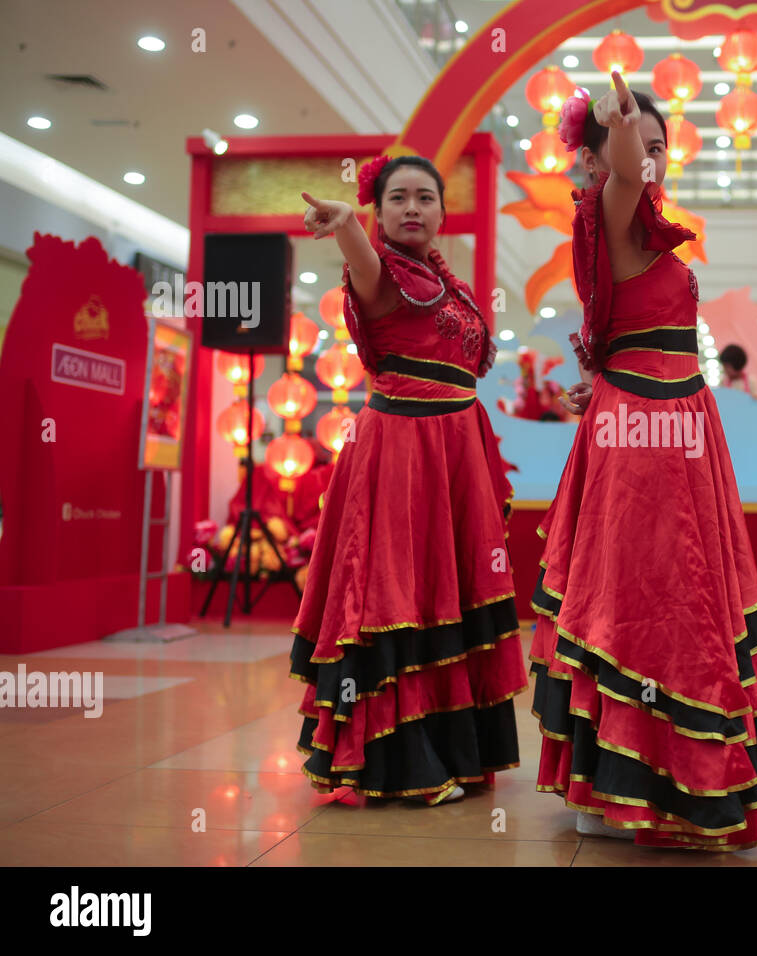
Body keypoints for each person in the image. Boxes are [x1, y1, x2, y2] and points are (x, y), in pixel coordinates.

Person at [528, 73, 757, 850]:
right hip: (644, 424)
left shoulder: (643, 228)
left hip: (675, 418)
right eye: (634, 144)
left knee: (669, 591)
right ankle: (628, 782)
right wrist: (619, 128)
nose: (651, 156)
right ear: (603, 157)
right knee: (647, 594)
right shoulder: (610, 215)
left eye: (659, 144)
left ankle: (622, 779)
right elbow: (621, 177)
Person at [290, 155, 527, 805]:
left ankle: (454, 753)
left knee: (446, 590)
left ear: (444, 212)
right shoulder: (378, 273)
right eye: (398, 198)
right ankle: (401, 764)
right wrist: (346, 226)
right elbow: (363, 265)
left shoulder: (445, 282)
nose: (413, 208)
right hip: (401, 448)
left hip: (455, 448)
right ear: (379, 210)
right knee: (396, 594)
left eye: (425, 197)